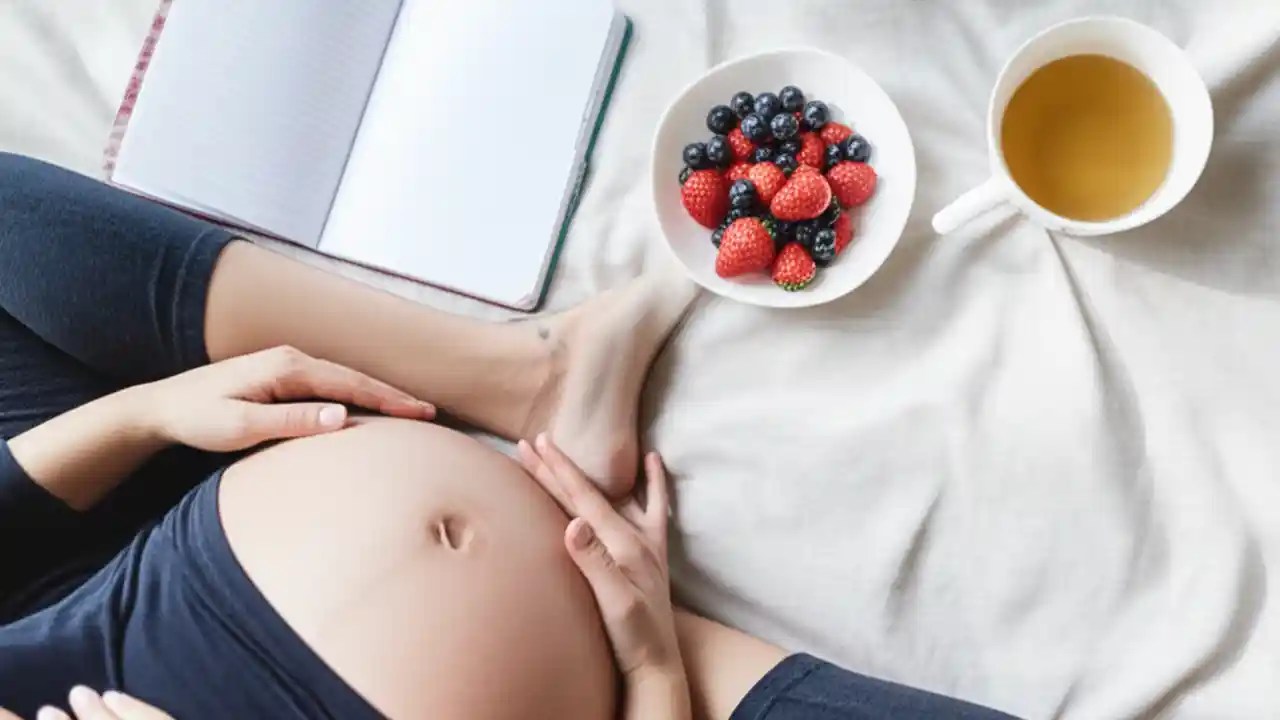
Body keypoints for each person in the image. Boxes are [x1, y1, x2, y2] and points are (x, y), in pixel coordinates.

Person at [0, 152, 1017, 719]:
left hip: (125, 569)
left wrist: (150, 411)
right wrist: (650, 669)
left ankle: (527, 380)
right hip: (638, 672)